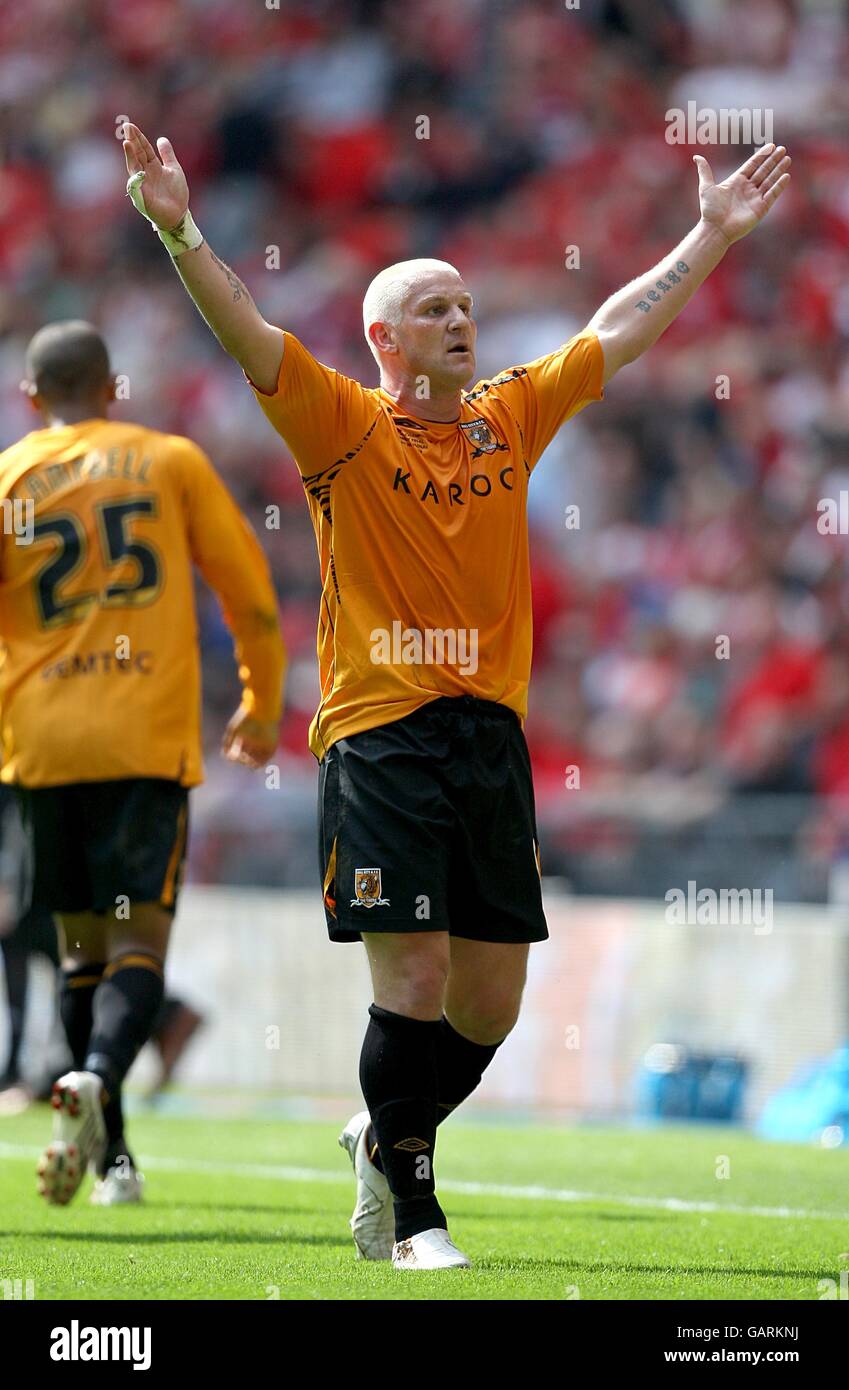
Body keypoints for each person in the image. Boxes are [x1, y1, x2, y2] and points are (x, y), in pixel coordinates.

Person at [122, 121, 790, 1268]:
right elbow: (247, 328)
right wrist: (181, 228)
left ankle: (388, 1128)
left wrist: (709, 234)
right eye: (434, 307)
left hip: (490, 734)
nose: (461, 318)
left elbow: (612, 330)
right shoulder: (342, 423)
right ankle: (416, 1213)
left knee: (492, 1001)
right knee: (416, 974)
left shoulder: (509, 416)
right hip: (380, 734)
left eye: (466, 303)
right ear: (384, 337)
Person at [0, 320, 286, 1205]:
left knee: (79, 950)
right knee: (137, 944)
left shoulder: (6, 478)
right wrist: (261, 704)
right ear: (114, 387)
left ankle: (113, 1160)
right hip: (143, 743)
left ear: (32, 397)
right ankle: (91, 1075)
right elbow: (250, 596)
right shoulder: (170, 462)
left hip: (43, 746)